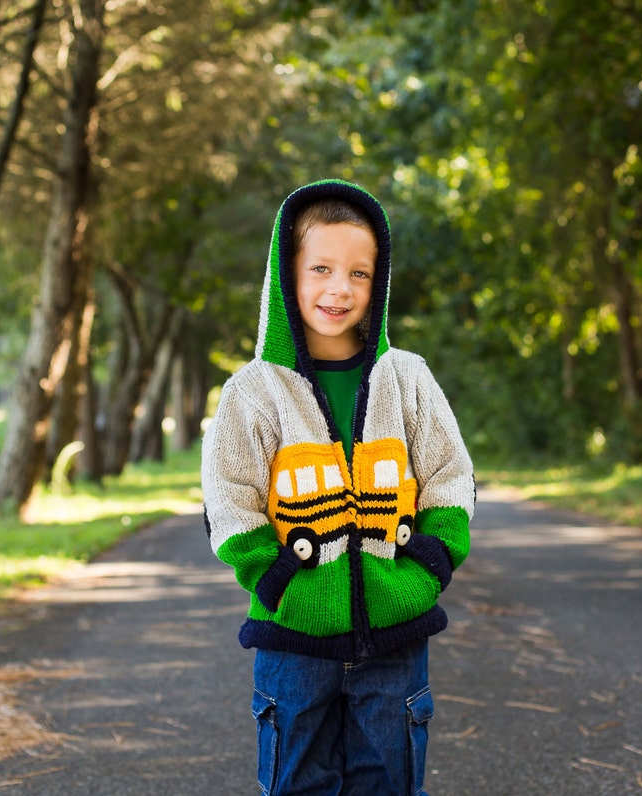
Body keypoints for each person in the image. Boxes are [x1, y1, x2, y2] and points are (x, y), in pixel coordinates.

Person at [201, 179, 475, 795]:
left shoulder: (405, 378)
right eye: (320, 267)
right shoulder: (255, 391)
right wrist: (275, 582)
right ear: (286, 273)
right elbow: (229, 499)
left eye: (359, 272)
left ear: (377, 282)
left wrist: (427, 569)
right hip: (294, 644)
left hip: (395, 643)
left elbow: (450, 479)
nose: (339, 288)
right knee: (296, 785)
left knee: (391, 784)